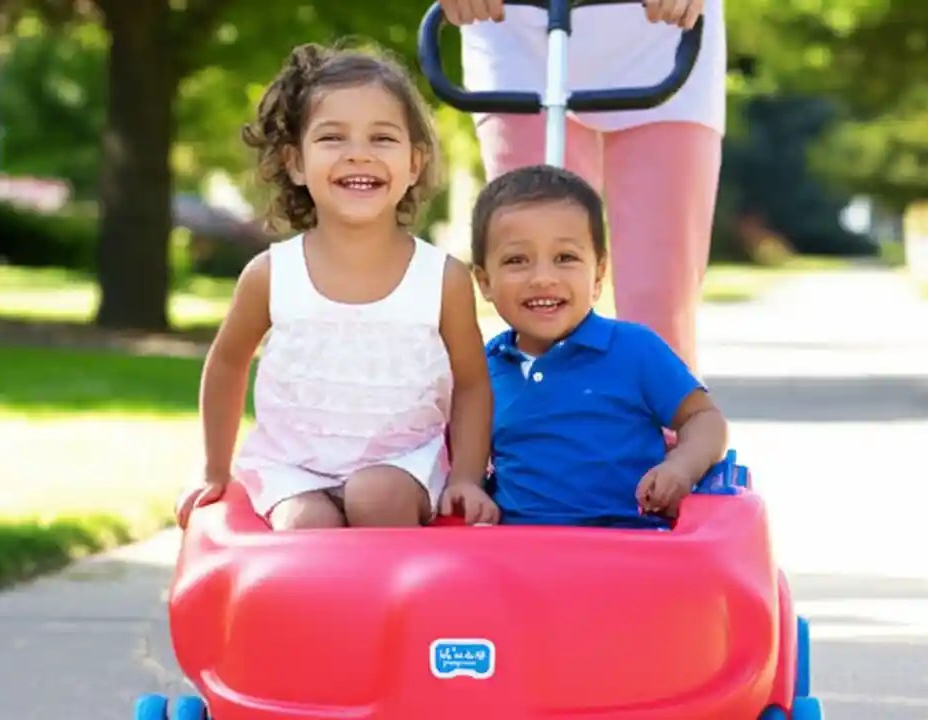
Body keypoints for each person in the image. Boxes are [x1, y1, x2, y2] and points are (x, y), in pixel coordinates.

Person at [177, 43, 500, 531]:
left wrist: (469, 478)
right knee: (306, 524)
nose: (358, 155)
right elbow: (226, 363)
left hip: (403, 464)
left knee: (376, 496)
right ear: (296, 162)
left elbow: (473, 385)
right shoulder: (270, 275)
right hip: (292, 467)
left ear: (414, 163)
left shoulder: (443, 279)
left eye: (382, 138)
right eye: (332, 137)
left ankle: (390, 609)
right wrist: (214, 470)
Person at [441, 0, 724, 374]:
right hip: (516, 30)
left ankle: (664, 424)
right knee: (533, 282)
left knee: (658, 307)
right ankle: (537, 417)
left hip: (662, 35)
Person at [471, 164, 728, 529]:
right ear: (484, 282)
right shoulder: (484, 369)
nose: (543, 278)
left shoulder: (635, 350)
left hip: (628, 549)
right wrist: (472, 489)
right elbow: (463, 459)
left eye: (566, 258)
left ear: (598, 274)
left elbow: (704, 418)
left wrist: (680, 467)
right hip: (522, 556)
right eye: (516, 261)